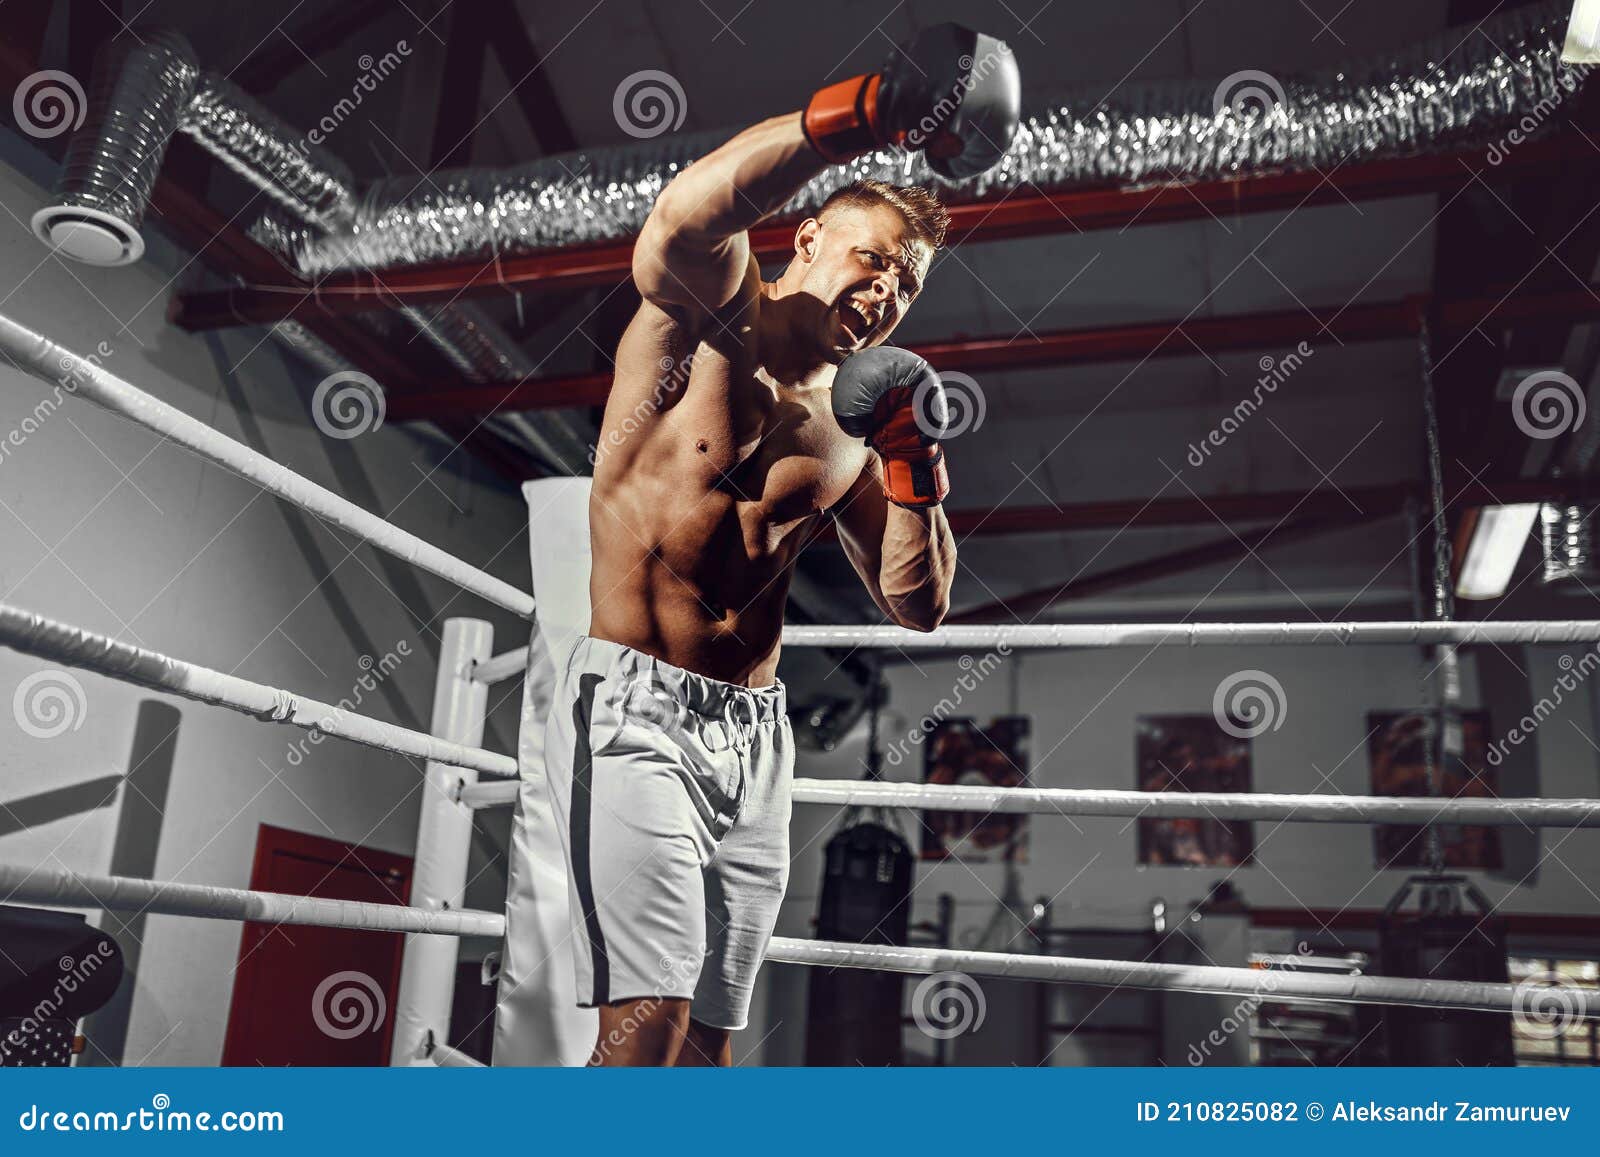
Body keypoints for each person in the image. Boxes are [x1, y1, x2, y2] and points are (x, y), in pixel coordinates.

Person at [543, 24, 1020, 1066]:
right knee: (646, 1022)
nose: (889, 294)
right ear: (805, 240)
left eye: (909, 285)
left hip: (755, 735)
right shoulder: (710, 318)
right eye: (875, 262)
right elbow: (681, 215)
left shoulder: (855, 423)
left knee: (715, 1040)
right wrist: (851, 115)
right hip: (638, 712)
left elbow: (917, 602)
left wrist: (912, 464)